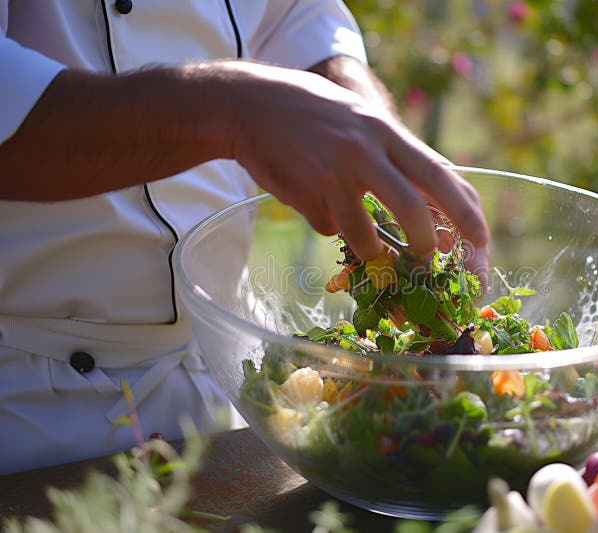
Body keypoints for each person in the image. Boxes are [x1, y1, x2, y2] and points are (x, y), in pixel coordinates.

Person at [0, 0, 489, 475]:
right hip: (29, 419)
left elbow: (295, 14)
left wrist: (372, 140)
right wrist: (233, 108)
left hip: (226, 384)